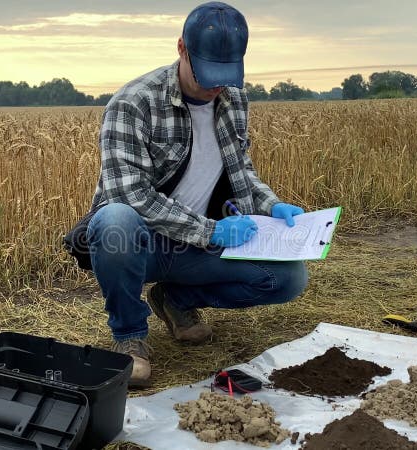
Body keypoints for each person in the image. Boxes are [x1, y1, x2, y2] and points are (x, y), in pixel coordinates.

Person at [80, 1, 308, 386]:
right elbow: (129, 194)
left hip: (195, 248)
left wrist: (272, 205)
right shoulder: (133, 103)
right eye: (207, 73)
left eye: (225, 74)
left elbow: (242, 171)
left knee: (290, 278)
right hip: (140, 244)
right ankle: (129, 336)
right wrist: (211, 232)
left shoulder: (233, 99)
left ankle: (176, 301)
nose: (215, 85)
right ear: (182, 49)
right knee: (114, 219)